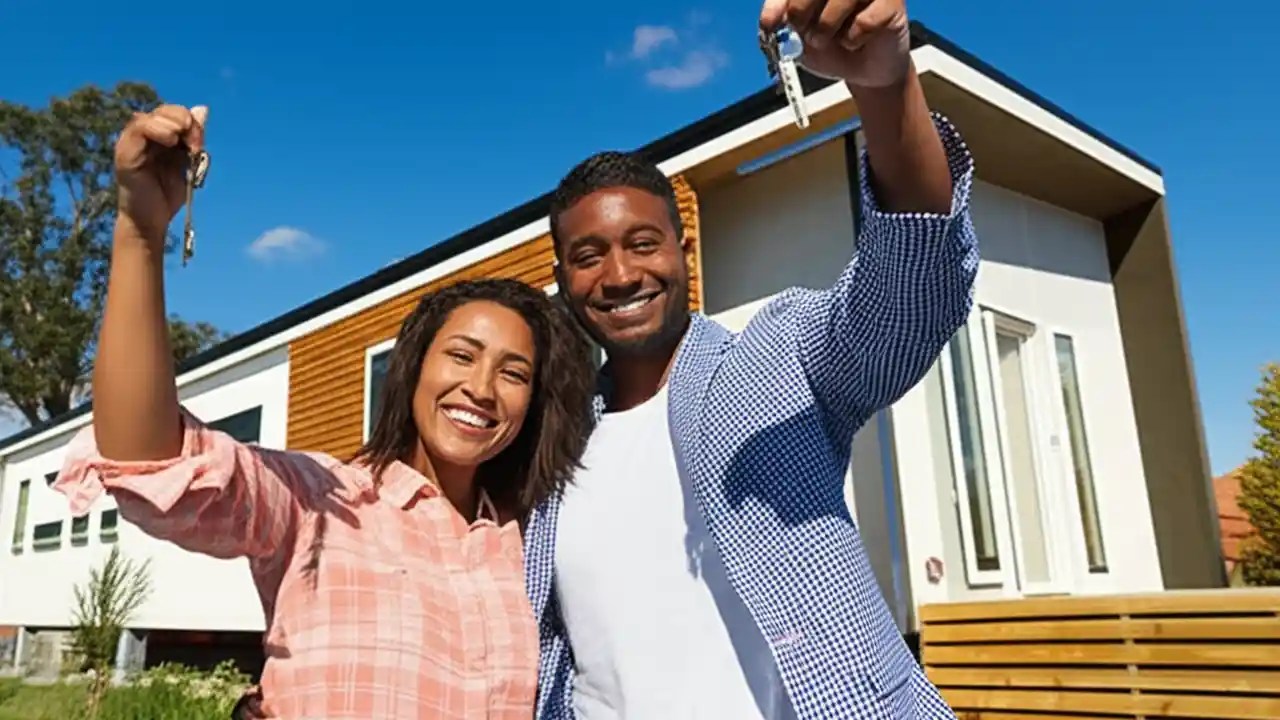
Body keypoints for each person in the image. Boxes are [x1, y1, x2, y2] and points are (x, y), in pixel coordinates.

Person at [52, 105, 596, 719]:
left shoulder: (527, 543)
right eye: (461, 356)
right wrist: (140, 235)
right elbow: (149, 457)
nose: (483, 388)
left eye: (514, 373)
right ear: (412, 370)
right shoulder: (321, 499)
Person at [525, 0, 977, 718]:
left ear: (684, 252)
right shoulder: (548, 452)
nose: (617, 276)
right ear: (563, 282)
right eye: (588, 256)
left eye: (643, 244)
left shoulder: (779, 359)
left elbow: (909, 295)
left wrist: (885, 85)